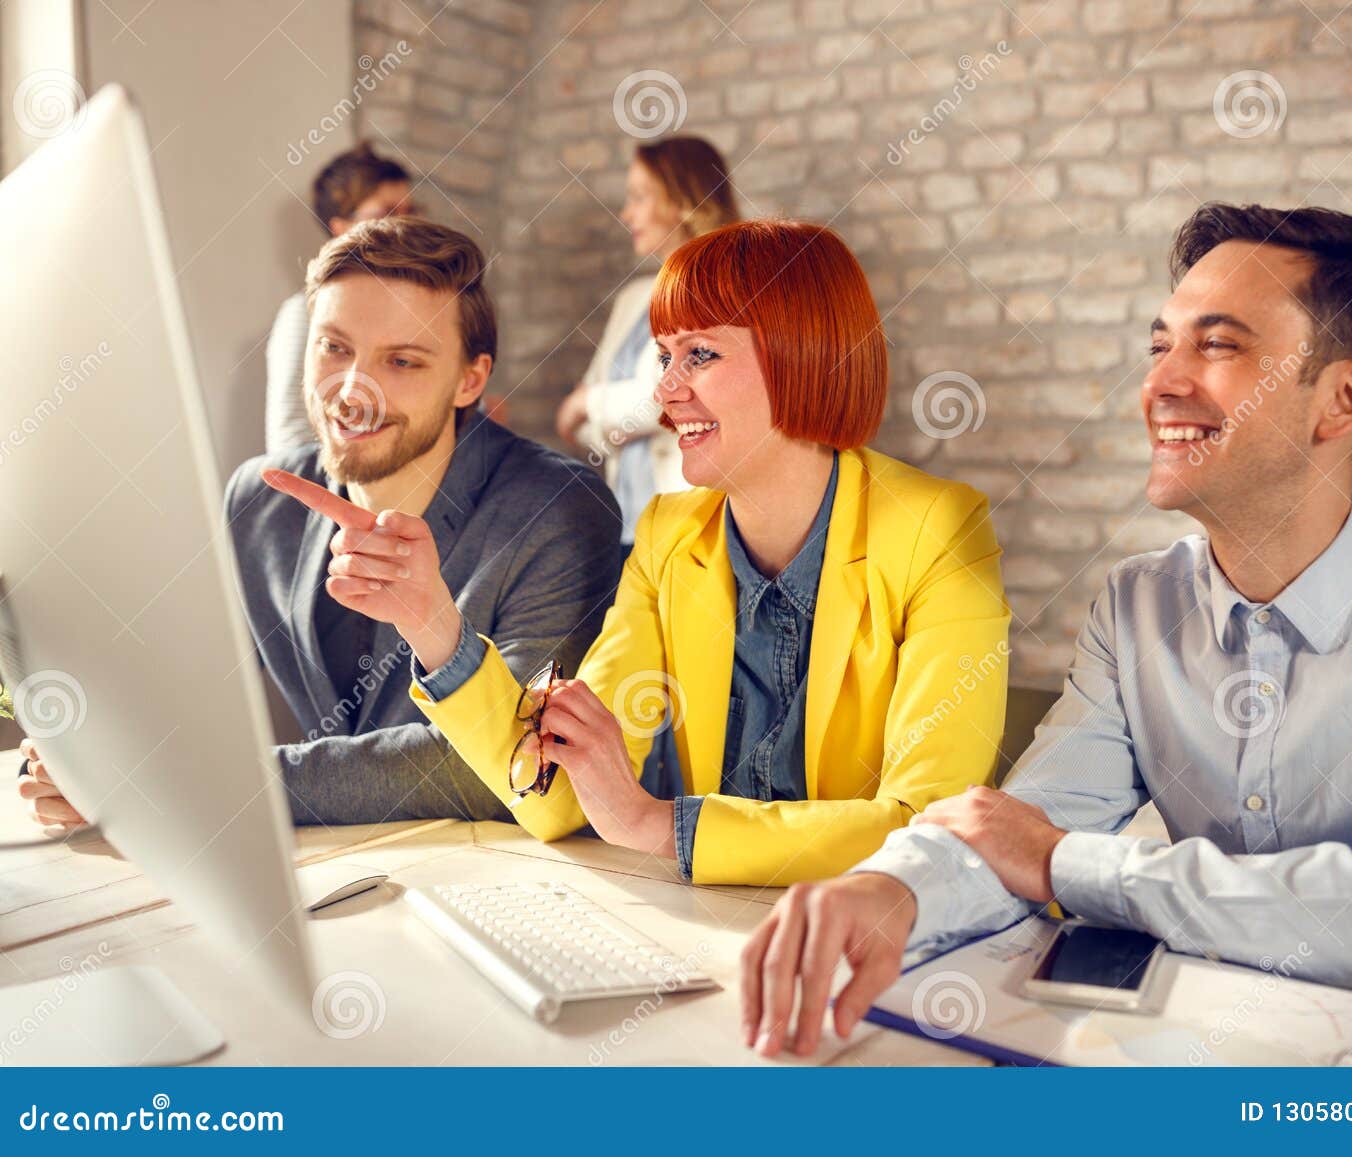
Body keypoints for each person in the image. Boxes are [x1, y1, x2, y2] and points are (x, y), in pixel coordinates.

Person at [741, 202, 1352, 1058]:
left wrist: (1066, 864)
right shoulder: (1138, 604)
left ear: (1343, 399)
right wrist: (887, 890)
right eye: (1161, 345)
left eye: (1218, 345)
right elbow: (1019, 825)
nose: (1160, 384)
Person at [265, 219, 1012, 886]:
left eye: (701, 354)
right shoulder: (667, 533)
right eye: (664, 357)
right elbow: (555, 790)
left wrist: (658, 825)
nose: (666, 393)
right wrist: (432, 620)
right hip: (700, 928)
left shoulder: (939, 529)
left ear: (803, 356)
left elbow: (926, 828)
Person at [18, 217, 619, 829]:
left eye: (403, 361)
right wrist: (95, 755)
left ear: (470, 380)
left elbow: (512, 766)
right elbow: (194, 689)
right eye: (334, 347)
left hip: (499, 878)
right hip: (324, 869)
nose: (355, 392)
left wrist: (191, 785)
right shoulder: (262, 499)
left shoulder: (560, 510)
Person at [554, 137, 740, 565]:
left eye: (639, 197)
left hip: (697, 520)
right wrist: (608, 411)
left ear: (681, 201)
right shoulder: (634, 299)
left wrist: (590, 403)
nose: (626, 214)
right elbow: (585, 428)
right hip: (627, 526)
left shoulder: (720, 287)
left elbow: (679, 395)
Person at [265, 143, 418, 455]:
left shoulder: (418, 305)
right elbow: (291, 439)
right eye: (387, 213)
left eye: (409, 211)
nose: (407, 225)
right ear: (342, 228)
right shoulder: (303, 314)